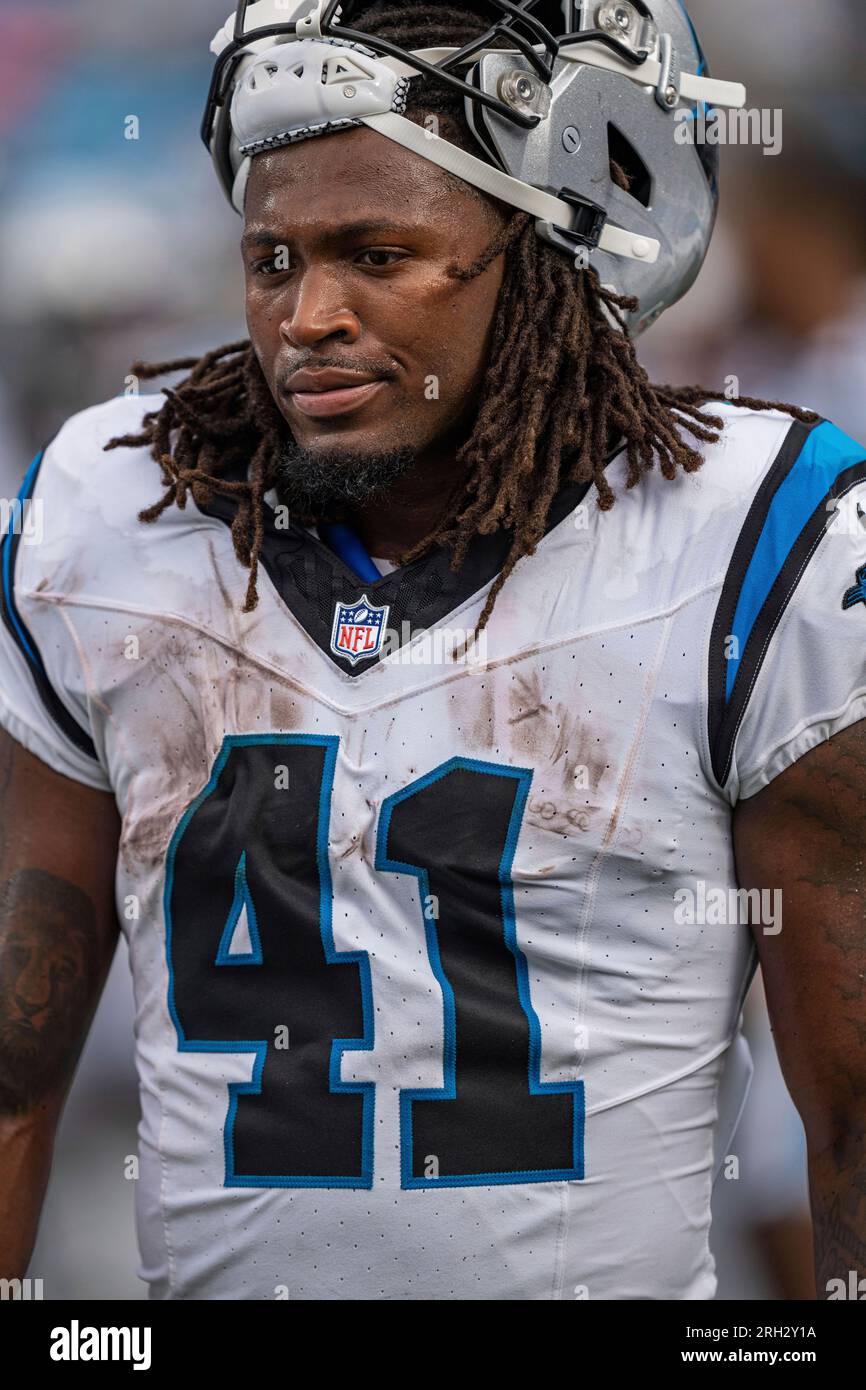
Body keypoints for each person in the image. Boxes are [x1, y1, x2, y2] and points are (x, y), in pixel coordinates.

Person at [0, 0, 863, 1301]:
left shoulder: (754, 535)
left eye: (379, 253)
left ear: (556, 253)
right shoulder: (108, 513)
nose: (309, 314)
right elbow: (12, 1080)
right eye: (273, 257)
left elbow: (848, 1110)